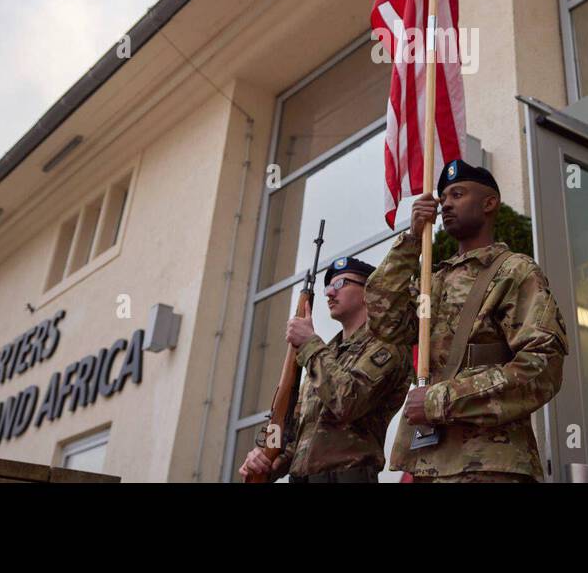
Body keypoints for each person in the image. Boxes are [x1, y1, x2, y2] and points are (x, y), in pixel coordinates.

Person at [364, 159, 567, 482]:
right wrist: (411, 241)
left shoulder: (514, 271)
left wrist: (440, 400)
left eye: (457, 194)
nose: (445, 204)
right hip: (428, 463)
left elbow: (542, 367)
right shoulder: (436, 280)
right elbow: (384, 320)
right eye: (443, 198)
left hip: (489, 463)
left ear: (489, 203)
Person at [238, 256, 411, 483]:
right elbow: (297, 432)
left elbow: (347, 401)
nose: (329, 293)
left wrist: (310, 343)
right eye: (328, 286)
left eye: (341, 284)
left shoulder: (387, 345)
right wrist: (265, 460)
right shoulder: (325, 354)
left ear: (368, 292)